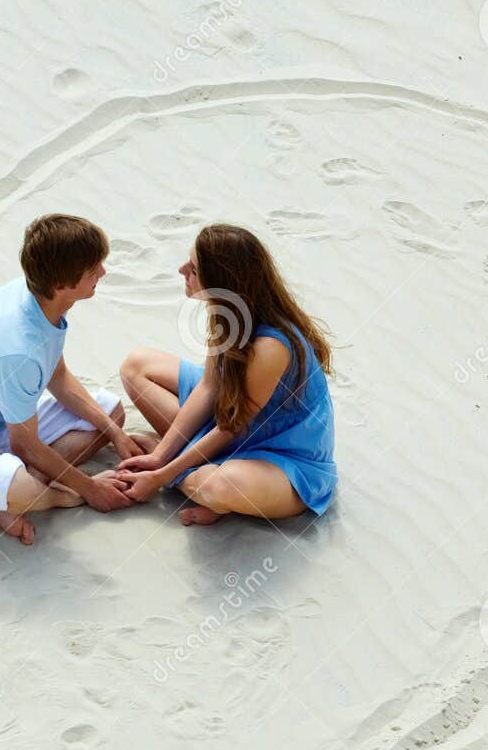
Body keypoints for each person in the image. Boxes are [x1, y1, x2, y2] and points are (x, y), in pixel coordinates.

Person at [0, 214, 153, 545]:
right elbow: (22, 444)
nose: (103, 273)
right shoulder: (19, 350)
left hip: (3, 422)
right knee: (21, 487)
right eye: (93, 269)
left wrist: (116, 435)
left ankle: (15, 492)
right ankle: (43, 495)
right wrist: (88, 489)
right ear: (61, 286)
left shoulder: (38, 301)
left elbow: (59, 376)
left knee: (111, 413)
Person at [117, 223, 336, 526]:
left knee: (218, 486)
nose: (182, 270)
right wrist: (159, 457)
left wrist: (162, 475)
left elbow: (231, 426)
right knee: (136, 367)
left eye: (193, 268)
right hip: (231, 409)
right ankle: (193, 467)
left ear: (222, 280)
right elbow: (209, 388)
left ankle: (195, 481)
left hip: (284, 453)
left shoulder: (270, 348)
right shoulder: (227, 312)